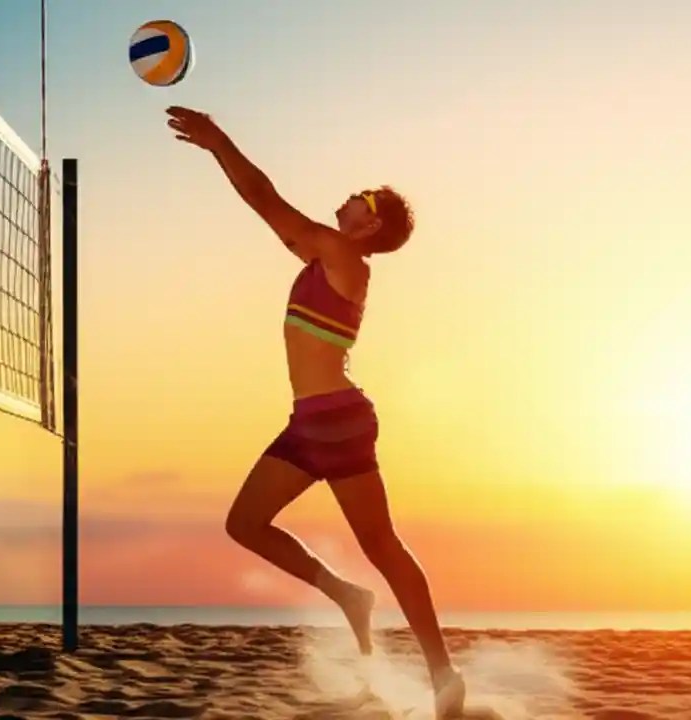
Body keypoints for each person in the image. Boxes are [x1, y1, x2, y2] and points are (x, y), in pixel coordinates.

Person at [165, 106, 466, 718]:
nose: (350, 196)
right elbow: (270, 207)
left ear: (367, 226)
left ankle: (443, 675)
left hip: (338, 420)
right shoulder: (323, 261)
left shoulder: (341, 256)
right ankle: (350, 597)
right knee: (245, 524)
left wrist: (218, 139)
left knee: (384, 545)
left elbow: (263, 198)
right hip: (310, 424)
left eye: (362, 197)